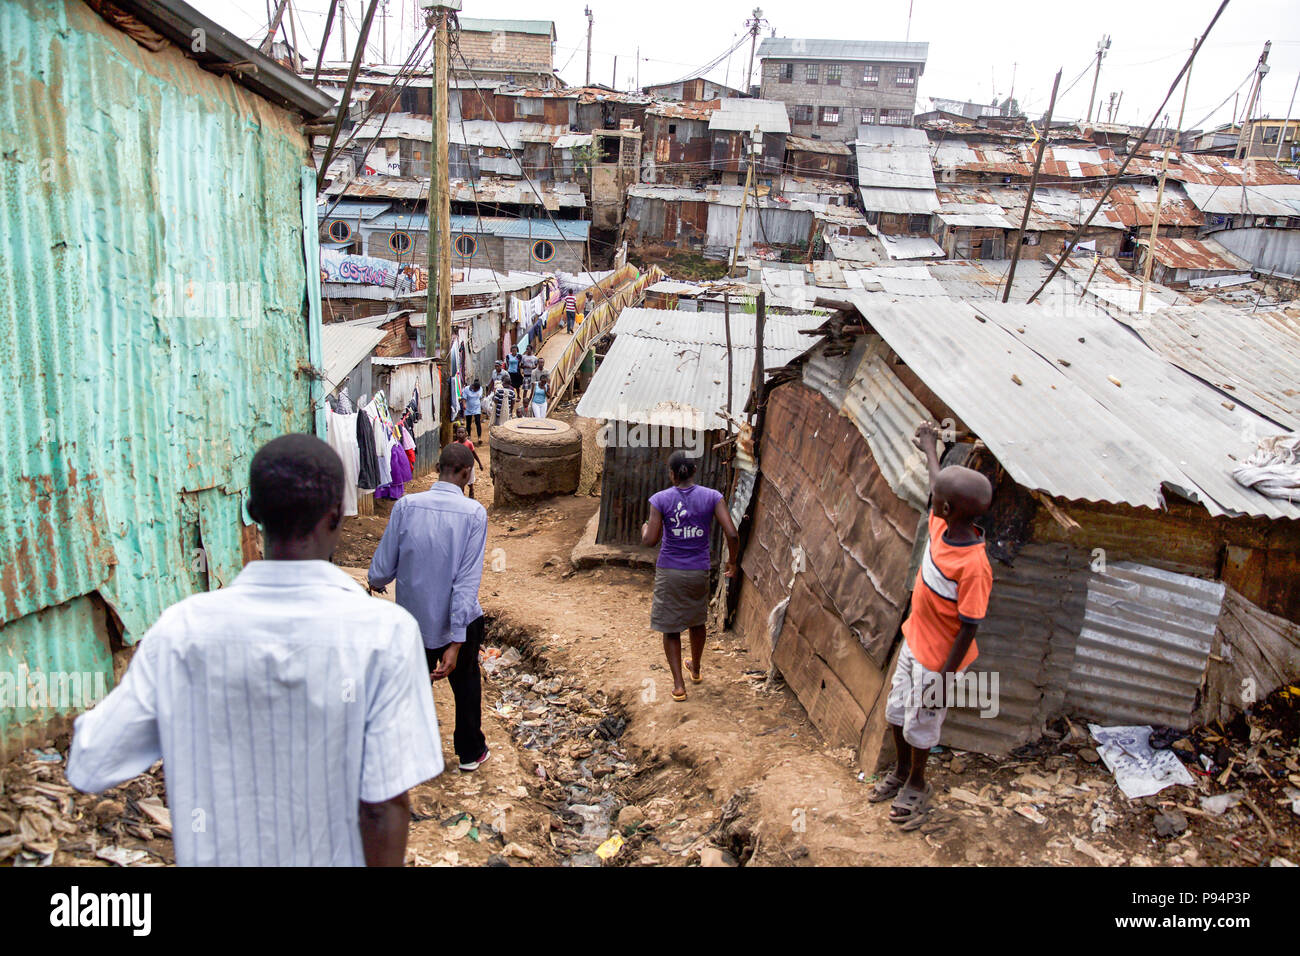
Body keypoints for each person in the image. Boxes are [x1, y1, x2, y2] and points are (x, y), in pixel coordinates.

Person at [65, 434, 443, 866]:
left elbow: (90, 762)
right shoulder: (386, 634)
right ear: (336, 515)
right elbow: (382, 808)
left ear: (253, 513)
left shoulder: (181, 632)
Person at [869, 420, 994, 831]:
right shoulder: (943, 523)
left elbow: (970, 627)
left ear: (947, 509)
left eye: (936, 498)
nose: (932, 497)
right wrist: (929, 446)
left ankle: (918, 784)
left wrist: (943, 678)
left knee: (922, 724)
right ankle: (902, 770)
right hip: (915, 641)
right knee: (896, 712)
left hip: (939, 660)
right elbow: (938, 480)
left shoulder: (974, 566)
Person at [368, 442, 491, 772]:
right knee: (465, 684)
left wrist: (376, 581)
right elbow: (465, 583)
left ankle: (410, 755)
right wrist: (456, 641)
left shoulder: (406, 506)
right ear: (466, 473)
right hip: (458, 621)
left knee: (411, 688)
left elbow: (381, 569)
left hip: (413, 620)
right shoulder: (474, 514)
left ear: (438, 469)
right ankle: (470, 752)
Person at [641, 451, 740, 703]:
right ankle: (695, 668)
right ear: (694, 471)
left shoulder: (660, 500)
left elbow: (650, 540)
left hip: (669, 571)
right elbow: (732, 533)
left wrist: (645, 528)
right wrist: (732, 561)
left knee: (670, 628)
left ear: (672, 474)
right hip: (698, 571)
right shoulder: (712, 497)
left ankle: (678, 686)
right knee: (697, 622)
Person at [453, 422, 484, 499]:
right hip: (460, 466)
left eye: (462, 432)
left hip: (469, 466)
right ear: (456, 434)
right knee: (461, 482)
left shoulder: (469, 443)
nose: (460, 434)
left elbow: (474, 454)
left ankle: (471, 492)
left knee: (470, 482)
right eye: (458, 432)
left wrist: (480, 464)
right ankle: (461, 497)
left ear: (466, 434)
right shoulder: (455, 444)